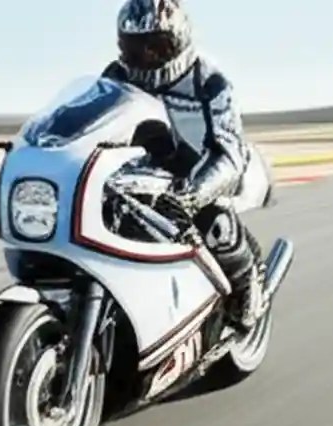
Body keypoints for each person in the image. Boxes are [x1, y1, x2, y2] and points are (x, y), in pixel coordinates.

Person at [102, 0, 263, 331]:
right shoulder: (114, 76)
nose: (148, 57)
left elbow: (230, 151)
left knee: (214, 224)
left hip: (198, 171)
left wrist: (193, 194)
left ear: (181, 40)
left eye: (157, 47)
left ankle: (247, 287)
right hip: (139, 172)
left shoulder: (210, 82)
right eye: (136, 48)